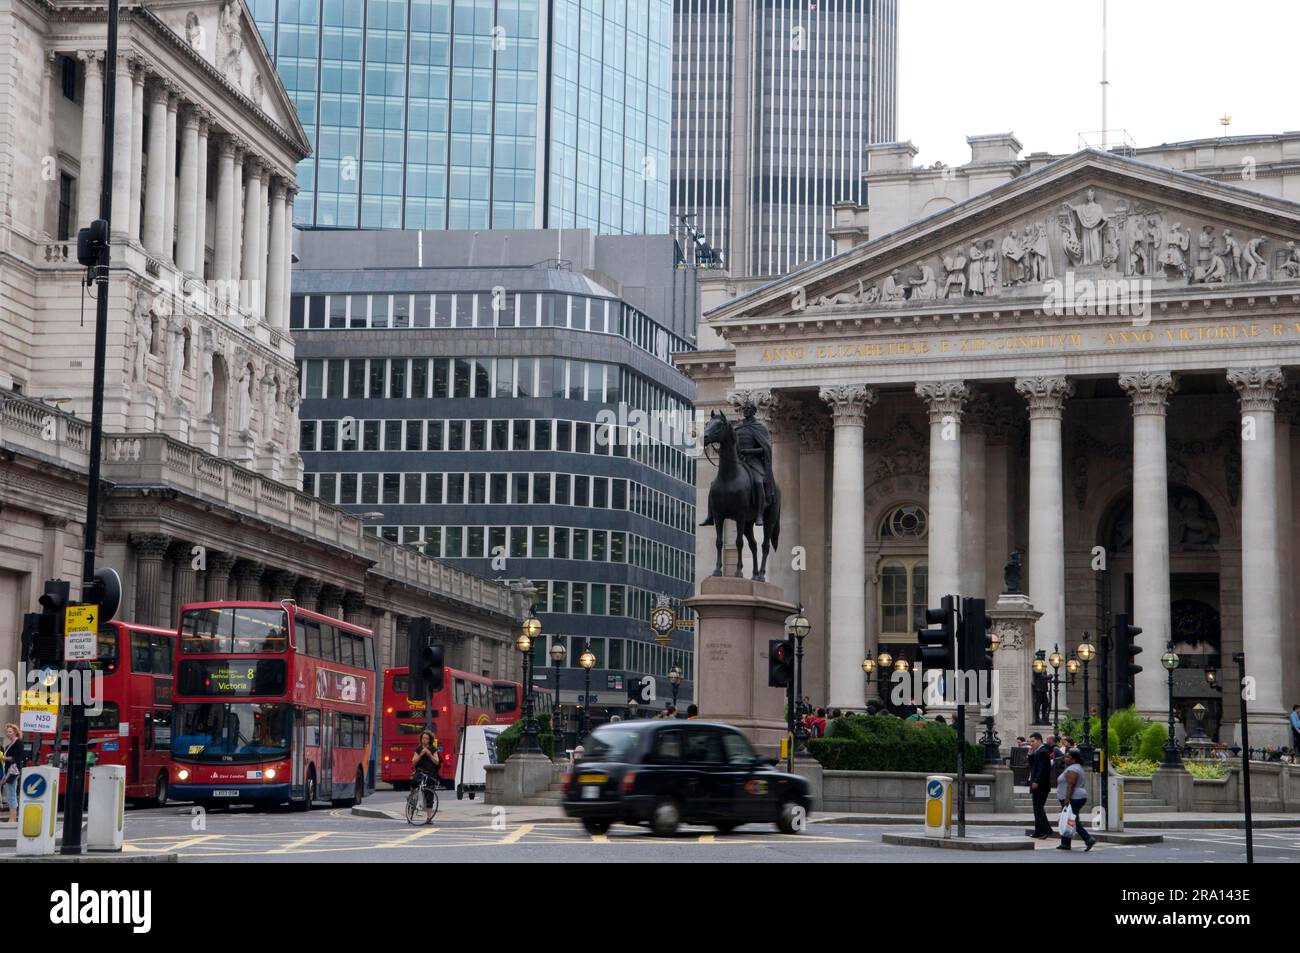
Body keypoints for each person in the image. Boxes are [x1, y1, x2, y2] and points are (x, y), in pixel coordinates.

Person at [1056, 748, 1097, 851]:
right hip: (1075, 797)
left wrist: (1067, 798)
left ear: (1074, 759)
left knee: (1072, 820)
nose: (1065, 758)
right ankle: (1065, 844)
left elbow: (1071, 785)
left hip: (1073, 798)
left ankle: (1088, 839)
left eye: (1068, 757)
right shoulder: (1074, 767)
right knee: (1068, 819)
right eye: (1065, 756)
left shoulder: (1073, 769)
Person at [410, 730, 441, 823]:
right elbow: (413, 762)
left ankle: (429, 818)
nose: (424, 740)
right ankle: (411, 801)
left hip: (430, 774)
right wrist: (421, 754)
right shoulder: (418, 749)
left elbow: (437, 761)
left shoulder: (433, 749)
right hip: (420, 772)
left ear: (430, 740)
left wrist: (430, 754)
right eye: (423, 738)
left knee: (430, 795)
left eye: (426, 738)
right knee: (414, 784)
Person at [1027, 733, 1053, 839]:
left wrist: (1036, 781)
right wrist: (1030, 754)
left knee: (1038, 808)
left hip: (1041, 785)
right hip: (1038, 784)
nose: (1031, 744)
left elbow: (1042, 769)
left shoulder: (1043, 752)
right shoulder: (1039, 751)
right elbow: (1033, 765)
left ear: (1039, 741)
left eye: (1033, 741)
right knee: (1037, 808)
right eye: (1030, 742)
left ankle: (1046, 831)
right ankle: (1038, 831)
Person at [2, 724, 25, 824]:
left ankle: (13, 819)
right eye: (7, 732)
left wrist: (4, 758)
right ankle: (12, 818)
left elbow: (17, 758)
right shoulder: (8, 745)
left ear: (15, 732)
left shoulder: (18, 743)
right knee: (10, 794)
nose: (8, 734)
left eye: (10, 731)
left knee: (11, 794)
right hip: (8, 770)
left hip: (14, 771)